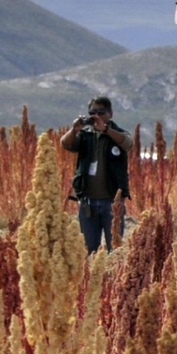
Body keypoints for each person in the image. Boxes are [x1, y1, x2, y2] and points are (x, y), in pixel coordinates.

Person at [61, 96, 132, 253]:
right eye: (93, 112)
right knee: (88, 249)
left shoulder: (118, 133)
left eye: (101, 112)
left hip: (112, 203)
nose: (97, 116)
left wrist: (105, 130)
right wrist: (75, 129)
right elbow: (66, 144)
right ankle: (92, 277)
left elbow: (128, 143)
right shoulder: (85, 135)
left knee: (114, 247)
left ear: (110, 114)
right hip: (88, 203)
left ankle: (112, 277)